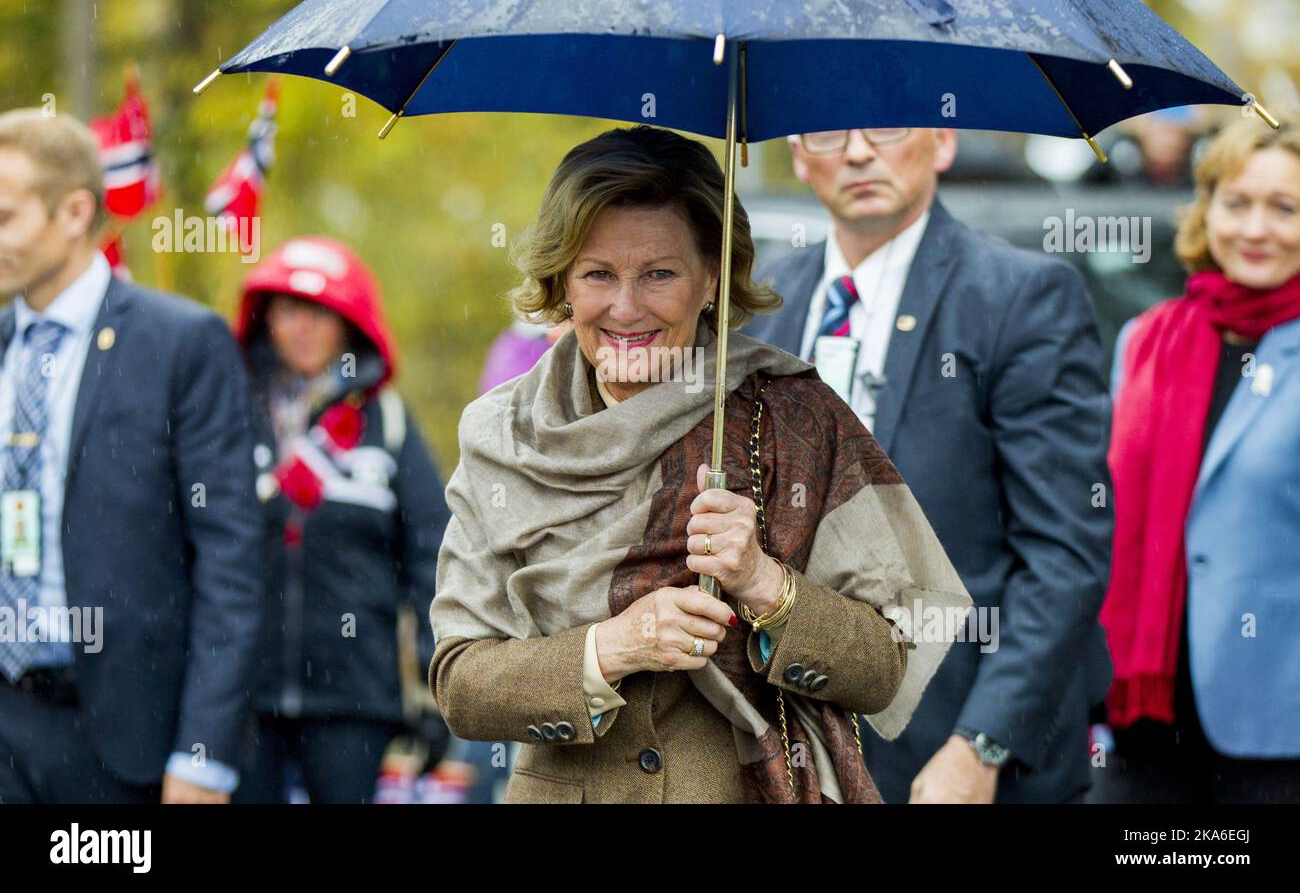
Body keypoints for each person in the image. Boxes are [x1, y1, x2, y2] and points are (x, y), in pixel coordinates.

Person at [427, 125, 970, 804]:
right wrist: (613, 646)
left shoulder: (791, 413)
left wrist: (767, 585)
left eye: (659, 273)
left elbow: (884, 664)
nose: (626, 307)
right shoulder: (501, 435)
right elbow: (460, 682)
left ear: (710, 278)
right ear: (563, 280)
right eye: (598, 273)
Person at [743, 127, 1114, 803]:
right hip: (794, 751)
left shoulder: (1022, 297)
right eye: (828, 132)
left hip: (958, 757)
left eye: (885, 128)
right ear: (796, 154)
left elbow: (1065, 556)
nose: (858, 152)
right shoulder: (761, 305)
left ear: (942, 142)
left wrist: (983, 743)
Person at [0, 109, 263, 803]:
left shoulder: (181, 343)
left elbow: (231, 559)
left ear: (75, 211)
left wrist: (203, 754)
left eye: (5, 216)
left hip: (126, 743)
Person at [1095, 115, 1300, 804]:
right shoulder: (1146, 340)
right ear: (1205, 208)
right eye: (1235, 202)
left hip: (1276, 728)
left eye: (1284, 208)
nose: (1254, 228)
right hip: (1143, 715)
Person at [231, 236, 449, 804]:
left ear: (350, 325)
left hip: (355, 700)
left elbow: (435, 560)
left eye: (321, 312)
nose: (303, 327)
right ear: (266, 319)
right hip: (240, 698)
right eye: (288, 310)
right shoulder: (227, 414)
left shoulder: (390, 424)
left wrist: (437, 690)